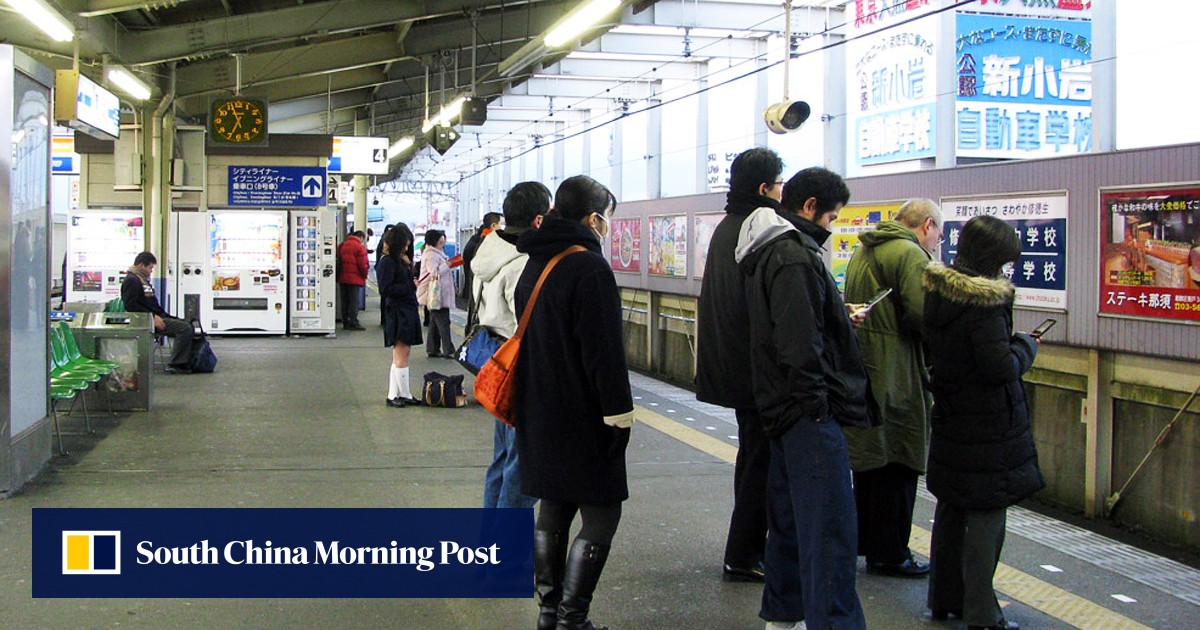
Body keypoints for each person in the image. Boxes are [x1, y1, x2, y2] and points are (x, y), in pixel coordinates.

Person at [734, 167, 871, 630]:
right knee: (829, 528)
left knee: (790, 521)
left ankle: (783, 613)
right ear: (810, 207)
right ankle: (833, 623)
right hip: (803, 412)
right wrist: (816, 407)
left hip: (778, 406)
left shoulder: (765, 248)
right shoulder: (794, 256)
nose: (831, 227)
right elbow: (798, 345)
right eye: (831, 216)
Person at [515, 175, 633, 630]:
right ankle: (572, 617)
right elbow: (605, 354)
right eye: (606, 217)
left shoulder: (536, 262)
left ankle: (549, 613)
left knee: (555, 505)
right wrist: (618, 417)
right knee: (603, 511)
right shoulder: (589, 268)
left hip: (539, 409)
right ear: (593, 218)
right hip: (584, 414)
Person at [923, 215, 1043, 630]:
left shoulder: (939, 293)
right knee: (988, 513)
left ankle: (945, 599)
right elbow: (997, 368)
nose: (1007, 270)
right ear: (993, 258)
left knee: (953, 509)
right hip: (987, 423)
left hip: (952, 414)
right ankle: (981, 611)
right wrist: (1026, 346)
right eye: (1006, 262)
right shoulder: (985, 305)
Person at [696, 147, 785, 583]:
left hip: (735, 366)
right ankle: (744, 553)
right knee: (759, 464)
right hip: (756, 372)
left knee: (753, 459)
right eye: (779, 183)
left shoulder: (727, 227)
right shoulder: (760, 228)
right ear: (765, 188)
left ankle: (747, 549)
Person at [842, 198, 943, 578]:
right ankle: (891, 552)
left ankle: (867, 542)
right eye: (939, 235)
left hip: (866, 365)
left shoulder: (865, 248)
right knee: (898, 460)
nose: (937, 244)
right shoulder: (910, 254)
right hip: (897, 370)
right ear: (927, 225)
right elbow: (924, 316)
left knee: (870, 463)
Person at [474, 183, 549, 511]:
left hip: (494, 357)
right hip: (515, 364)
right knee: (522, 464)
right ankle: (505, 551)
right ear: (537, 220)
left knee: (502, 459)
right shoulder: (521, 263)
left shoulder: (488, 250)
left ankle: (491, 541)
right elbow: (525, 322)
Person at [121, 251, 194, 373]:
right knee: (184, 328)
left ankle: (185, 360)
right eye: (150, 267)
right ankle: (177, 364)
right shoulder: (132, 281)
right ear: (141, 265)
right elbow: (130, 305)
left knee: (186, 324)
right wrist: (153, 317)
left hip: (154, 317)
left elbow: (152, 304)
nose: (151, 271)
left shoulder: (142, 280)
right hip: (144, 321)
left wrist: (166, 316)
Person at [377, 224, 423, 408]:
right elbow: (385, 289)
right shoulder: (387, 262)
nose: (407, 247)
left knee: (402, 353)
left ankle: (398, 393)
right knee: (401, 353)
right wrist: (410, 286)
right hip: (398, 310)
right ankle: (399, 394)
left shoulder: (398, 261)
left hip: (404, 309)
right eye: (404, 244)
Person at [417, 229, 456, 358]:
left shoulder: (434, 252)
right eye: (440, 241)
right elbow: (434, 272)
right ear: (434, 242)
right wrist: (448, 264)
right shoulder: (431, 255)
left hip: (438, 294)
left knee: (435, 321)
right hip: (437, 295)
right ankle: (448, 350)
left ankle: (432, 348)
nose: (443, 244)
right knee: (444, 322)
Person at [462, 212, 503, 322]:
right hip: (486, 305)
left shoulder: (477, 242)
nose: (504, 228)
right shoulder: (489, 246)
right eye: (502, 224)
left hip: (477, 300)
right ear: (494, 226)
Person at [337, 230, 369, 331]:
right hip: (355, 278)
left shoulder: (342, 245)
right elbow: (363, 265)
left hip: (342, 277)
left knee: (345, 300)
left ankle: (345, 321)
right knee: (354, 301)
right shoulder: (360, 247)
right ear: (361, 237)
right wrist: (364, 276)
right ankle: (353, 322)